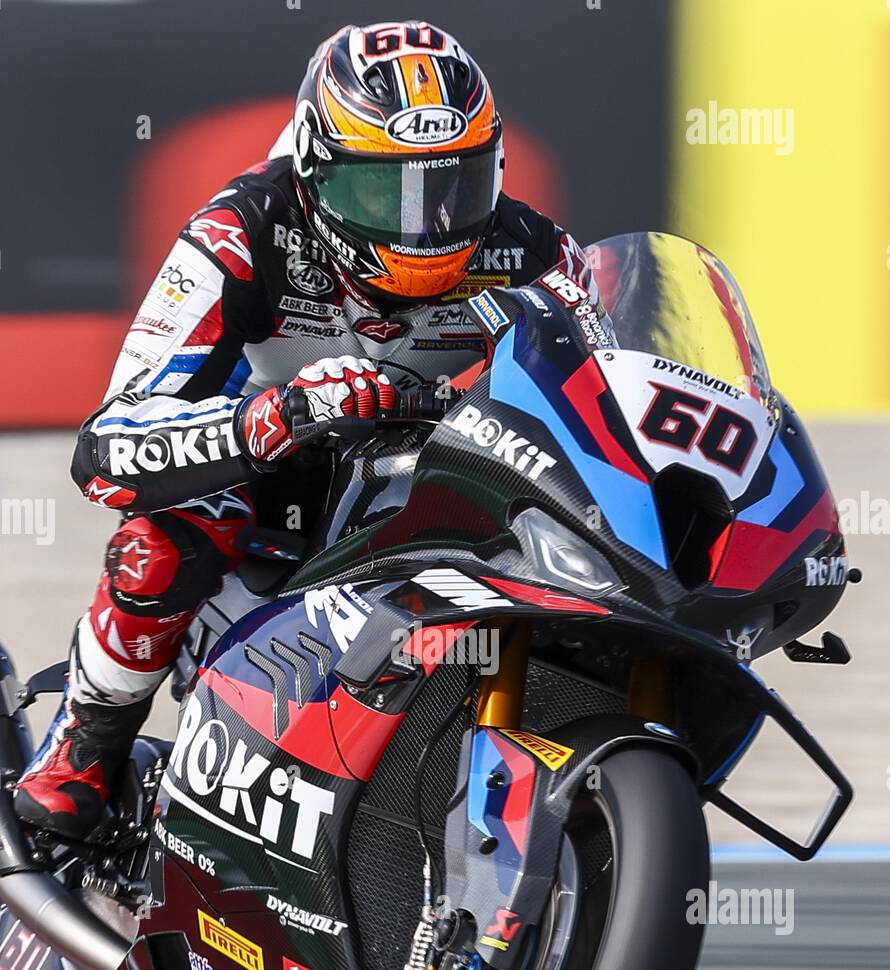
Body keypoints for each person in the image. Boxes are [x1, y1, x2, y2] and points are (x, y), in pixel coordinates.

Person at [14, 19, 600, 837]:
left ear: (494, 166)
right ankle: (89, 738)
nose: (421, 227)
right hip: (272, 498)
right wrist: (277, 415)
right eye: (380, 193)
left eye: (451, 187)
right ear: (317, 169)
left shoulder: (534, 251)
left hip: (435, 489)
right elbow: (107, 452)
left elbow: (606, 400)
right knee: (164, 536)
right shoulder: (242, 230)